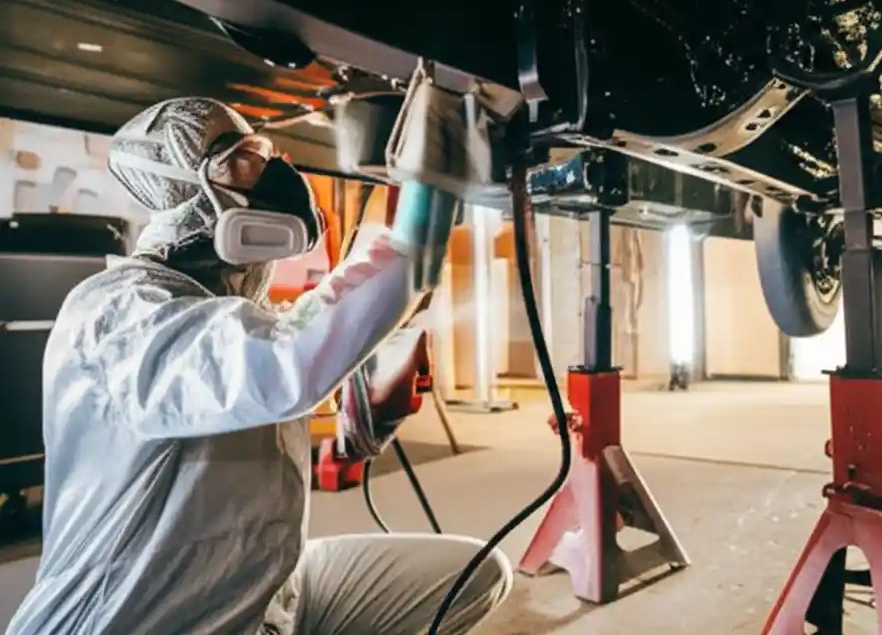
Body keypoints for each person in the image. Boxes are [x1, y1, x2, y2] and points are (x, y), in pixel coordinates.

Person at [7, 98, 511, 635]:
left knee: (475, 575)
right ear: (180, 189)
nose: (275, 173)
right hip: (133, 620)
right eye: (244, 158)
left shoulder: (239, 313)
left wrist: (363, 403)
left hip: (257, 594)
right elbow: (282, 362)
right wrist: (420, 210)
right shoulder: (118, 310)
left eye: (268, 154)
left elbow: (268, 369)